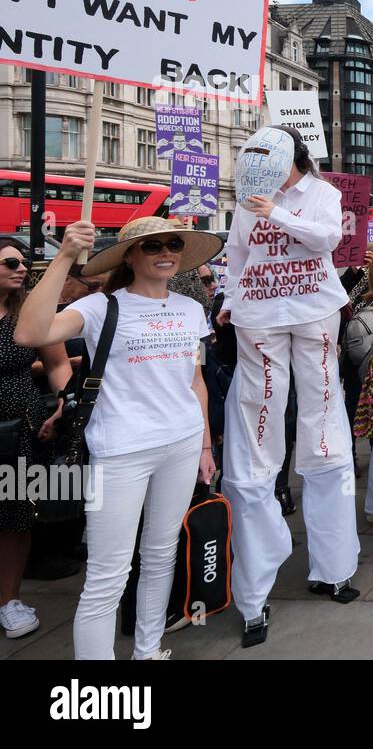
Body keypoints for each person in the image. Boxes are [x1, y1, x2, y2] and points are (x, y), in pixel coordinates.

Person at [15, 218, 219, 659]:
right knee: (109, 573)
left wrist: (204, 444)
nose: (166, 252)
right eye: (153, 247)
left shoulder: (189, 309)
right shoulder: (99, 307)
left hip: (182, 444)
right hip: (121, 451)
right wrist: (65, 256)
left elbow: (195, 379)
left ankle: (149, 651)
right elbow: (29, 333)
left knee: (162, 554)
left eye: (173, 244)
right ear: (129, 255)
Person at [219, 125, 359, 646]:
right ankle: (253, 597)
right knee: (259, 438)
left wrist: (273, 211)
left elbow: (327, 238)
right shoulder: (244, 202)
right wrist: (230, 302)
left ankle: (334, 567)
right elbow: (236, 255)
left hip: (313, 310)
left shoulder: (322, 193)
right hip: (259, 316)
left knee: (323, 431)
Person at [0, 239, 73, 640]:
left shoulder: (30, 314)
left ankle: (9, 600)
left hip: (20, 429)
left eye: (23, 261)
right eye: (11, 261)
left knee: (14, 516)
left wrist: (65, 402)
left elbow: (57, 363)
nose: (21, 267)